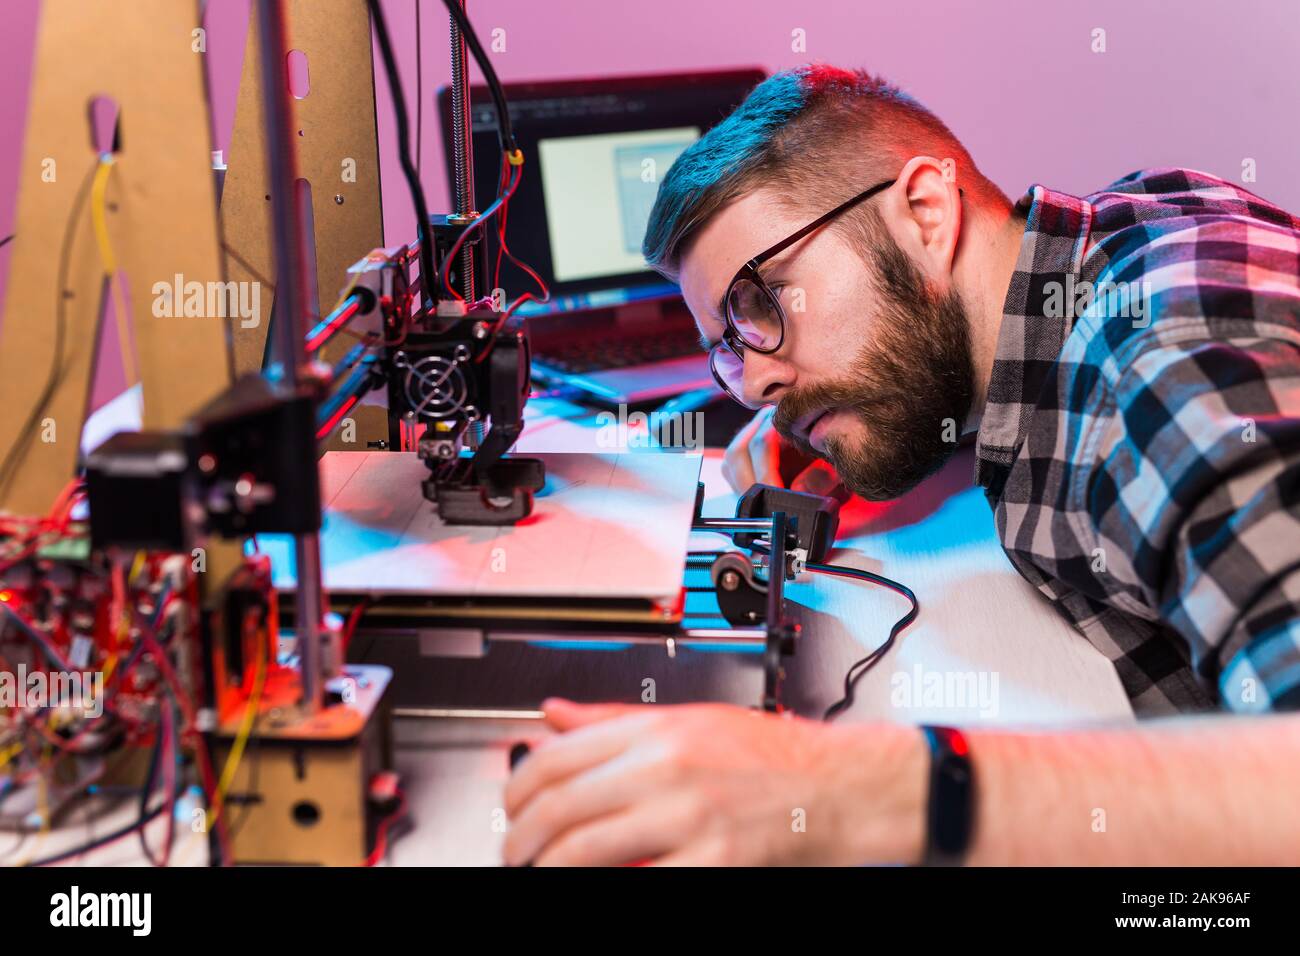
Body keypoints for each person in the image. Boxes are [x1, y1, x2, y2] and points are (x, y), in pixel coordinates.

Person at [503, 64, 1300, 866]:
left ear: (924, 213)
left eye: (766, 304)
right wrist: (852, 418)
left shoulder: (1156, 378)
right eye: (728, 347)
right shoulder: (1104, 247)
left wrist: (855, 790)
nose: (753, 386)